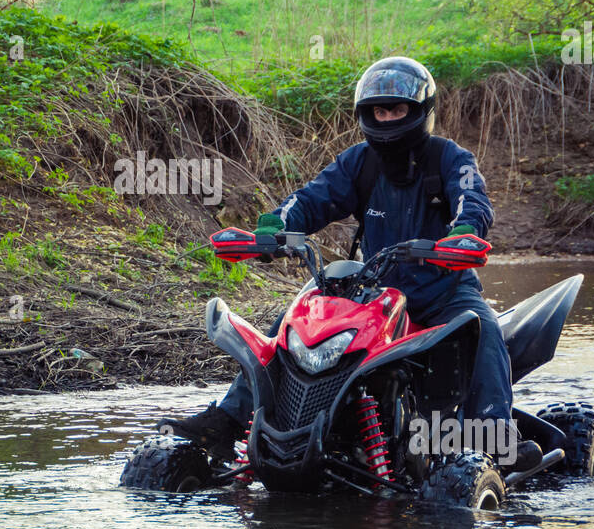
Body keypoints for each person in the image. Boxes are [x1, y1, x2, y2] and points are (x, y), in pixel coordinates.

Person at [158, 56, 539, 470]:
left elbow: (472, 200)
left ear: (419, 112)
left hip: (445, 289)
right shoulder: (359, 163)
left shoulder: (450, 158)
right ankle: (231, 420)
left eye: (397, 109)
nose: (388, 117)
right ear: (366, 114)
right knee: (291, 325)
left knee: (481, 329)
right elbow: (311, 199)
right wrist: (273, 231)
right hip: (377, 289)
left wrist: (464, 233)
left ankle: (498, 438)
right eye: (380, 110)